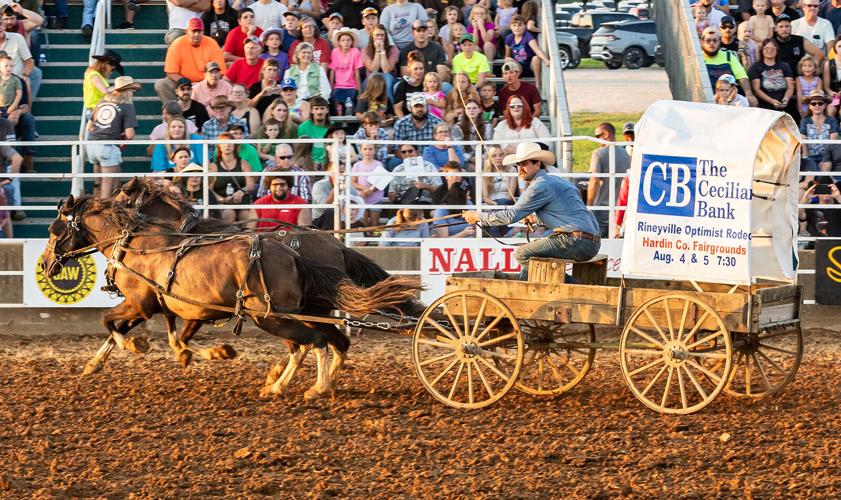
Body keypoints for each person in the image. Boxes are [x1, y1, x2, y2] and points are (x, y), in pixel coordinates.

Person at [463, 142, 601, 280]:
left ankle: (574, 287)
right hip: (591, 241)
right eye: (518, 165)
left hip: (576, 240)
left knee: (522, 254)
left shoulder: (538, 186)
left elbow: (510, 216)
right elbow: (566, 213)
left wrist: (478, 217)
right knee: (531, 257)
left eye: (524, 164)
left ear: (537, 164)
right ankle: (522, 286)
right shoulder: (559, 182)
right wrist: (536, 219)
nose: (520, 169)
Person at [86, 76, 140, 199]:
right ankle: (102, 215)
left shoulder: (101, 102)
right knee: (106, 190)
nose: (133, 92)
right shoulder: (127, 106)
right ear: (126, 91)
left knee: (113, 178)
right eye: (132, 90)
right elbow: (130, 134)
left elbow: (89, 127)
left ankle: (111, 204)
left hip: (91, 146)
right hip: (108, 147)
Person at [156, 18, 226, 104]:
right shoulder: (177, 44)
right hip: (183, 82)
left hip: (206, 83)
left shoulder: (212, 44)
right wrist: (187, 83)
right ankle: (174, 112)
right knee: (162, 84)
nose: (196, 34)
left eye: (199, 31)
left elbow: (220, 72)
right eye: (193, 31)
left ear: (203, 32)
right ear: (186, 32)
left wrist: (203, 84)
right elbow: (171, 72)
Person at [586, 122, 630, 238]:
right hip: (622, 209)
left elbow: (594, 181)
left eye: (597, 136)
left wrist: (589, 205)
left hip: (602, 207)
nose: (597, 140)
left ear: (606, 134)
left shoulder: (598, 154)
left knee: (595, 242)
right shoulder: (627, 155)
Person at [700, 27, 759, 106]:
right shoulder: (698, 58)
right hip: (708, 99)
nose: (711, 43)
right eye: (708, 41)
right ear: (702, 42)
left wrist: (749, 94)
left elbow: (741, 75)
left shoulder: (728, 56)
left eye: (715, 40)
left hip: (730, 99)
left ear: (719, 41)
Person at [209, 131, 256, 222]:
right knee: (229, 213)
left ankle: (247, 236)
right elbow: (209, 189)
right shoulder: (213, 166)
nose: (227, 145)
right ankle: (228, 236)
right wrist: (222, 199)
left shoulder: (243, 163)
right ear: (219, 146)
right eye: (224, 143)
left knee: (246, 215)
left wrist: (241, 192)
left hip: (241, 199)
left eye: (230, 142)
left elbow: (251, 185)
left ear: (235, 145)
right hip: (222, 201)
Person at [392, 93, 442, 168]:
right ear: (410, 108)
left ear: (427, 107)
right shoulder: (400, 124)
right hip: (408, 159)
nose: (419, 109)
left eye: (422, 106)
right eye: (416, 106)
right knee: (394, 162)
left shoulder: (437, 122)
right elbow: (396, 149)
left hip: (431, 160)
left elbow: (441, 147)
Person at [748, 38, 795, 114]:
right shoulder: (756, 67)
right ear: (762, 51)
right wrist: (772, 101)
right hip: (765, 104)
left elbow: (790, 87)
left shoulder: (784, 66)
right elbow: (757, 90)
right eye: (766, 48)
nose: (769, 50)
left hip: (784, 102)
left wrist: (786, 99)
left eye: (772, 48)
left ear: (777, 50)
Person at [397, 18, 449, 85]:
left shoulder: (437, 48)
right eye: (418, 30)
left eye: (424, 30)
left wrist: (428, 84)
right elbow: (405, 75)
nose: (421, 33)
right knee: (397, 86)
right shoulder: (405, 50)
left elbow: (442, 75)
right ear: (413, 32)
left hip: (432, 84)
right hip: (413, 84)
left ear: (427, 31)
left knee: (446, 86)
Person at [431, 163, 476, 238]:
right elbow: (432, 212)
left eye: (457, 175)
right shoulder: (441, 203)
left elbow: (475, 230)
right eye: (452, 175)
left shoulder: (469, 201)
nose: (455, 177)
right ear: (446, 176)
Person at [799, 90, 839, 173]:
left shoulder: (832, 120)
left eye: (820, 103)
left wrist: (826, 159)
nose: (817, 106)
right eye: (813, 104)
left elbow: (833, 141)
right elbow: (803, 140)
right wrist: (806, 158)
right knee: (811, 176)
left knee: (824, 174)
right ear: (809, 106)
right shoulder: (805, 121)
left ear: (824, 105)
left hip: (828, 157)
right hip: (810, 156)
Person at [504, 15, 549, 87]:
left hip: (530, 66)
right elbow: (507, 55)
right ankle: (513, 83)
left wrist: (546, 60)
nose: (517, 28)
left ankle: (538, 83)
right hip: (518, 68)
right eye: (514, 25)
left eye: (520, 25)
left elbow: (537, 50)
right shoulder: (509, 38)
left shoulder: (528, 36)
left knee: (536, 58)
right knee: (507, 59)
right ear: (511, 26)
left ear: (524, 26)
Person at [350, 141, 385, 227]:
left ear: (374, 151)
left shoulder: (378, 164)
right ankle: (365, 238)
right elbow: (353, 182)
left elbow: (381, 182)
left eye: (370, 149)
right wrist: (363, 188)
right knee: (363, 223)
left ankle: (374, 234)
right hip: (361, 196)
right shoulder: (357, 165)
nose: (367, 151)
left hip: (375, 196)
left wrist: (370, 190)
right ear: (361, 150)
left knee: (375, 224)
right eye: (365, 149)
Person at [361, 23, 399, 103]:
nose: (380, 37)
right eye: (377, 35)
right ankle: (372, 109)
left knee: (387, 80)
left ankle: (387, 109)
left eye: (382, 35)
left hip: (389, 77)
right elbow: (374, 69)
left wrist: (382, 51)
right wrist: (377, 50)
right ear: (372, 37)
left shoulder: (393, 50)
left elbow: (386, 70)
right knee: (374, 78)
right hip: (371, 78)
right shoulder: (365, 51)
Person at [329, 27, 363, 113]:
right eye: (343, 40)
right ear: (339, 42)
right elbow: (332, 71)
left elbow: (357, 72)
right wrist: (330, 88)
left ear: (352, 42)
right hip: (338, 86)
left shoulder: (355, 52)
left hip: (351, 86)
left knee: (351, 107)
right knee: (337, 106)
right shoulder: (335, 52)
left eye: (348, 40)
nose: (346, 42)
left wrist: (359, 91)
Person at [450, 97, 493, 165]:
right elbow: (458, 148)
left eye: (474, 108)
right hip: (465, 160)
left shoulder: (487, 126)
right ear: (465, 111)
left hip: (484, 159)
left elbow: (489, 146)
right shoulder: (457, 127)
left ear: (479, 110)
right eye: (468, 108)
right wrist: (470, 158)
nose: (471, 110)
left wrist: (481, 158)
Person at [297, 95, 331, 167]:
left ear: (327, 110)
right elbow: (300, 151)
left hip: (328, 164)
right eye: (316, 109)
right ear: (311, 110)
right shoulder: (303, 127)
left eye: (322, 108)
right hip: (308, 164)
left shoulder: (333, 127)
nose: (319, 112)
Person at [394, 53, 426, 118]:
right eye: (415, 69)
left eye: (421, 68)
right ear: (409, 69)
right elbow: (397, 108)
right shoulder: (403, 85)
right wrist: (404, 122)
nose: (419, 71)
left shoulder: (427, 83)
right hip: (407, 119)